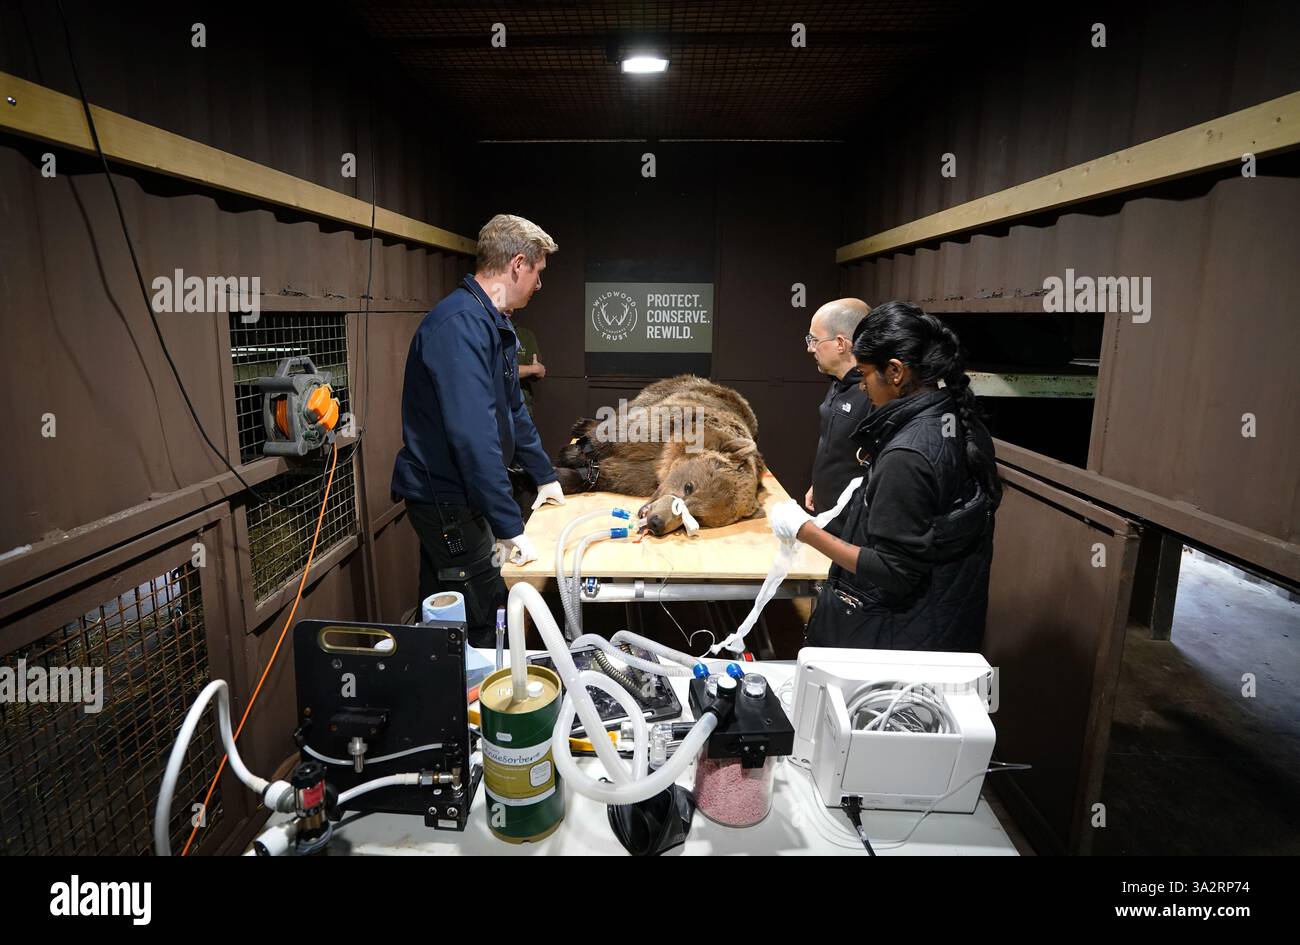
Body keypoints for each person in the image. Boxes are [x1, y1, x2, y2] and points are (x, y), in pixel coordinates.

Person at [770, 301, 1002, 651]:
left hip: (901, 633)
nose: (861, 387)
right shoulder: (959, 419)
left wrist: (805, 531)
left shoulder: (908, 455)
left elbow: (894, 571)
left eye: (863, 374)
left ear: (895, 372)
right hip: (946, 622)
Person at [391, 214, 566, 645]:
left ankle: (439, 690)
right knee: (489, 610)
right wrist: (510, 526)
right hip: (446, 499)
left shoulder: (491, 321)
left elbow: (512, 411)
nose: (538, 286)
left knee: (443, 605)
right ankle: (485, 703)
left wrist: (544, 476)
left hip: (458, 497)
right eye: (538, 273)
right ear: (518, 265)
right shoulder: (460, 325)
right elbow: (474, 436)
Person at [804, 298, 873, 514]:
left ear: (841, 343)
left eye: (814, 340)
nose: (809, 348)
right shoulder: (837, 382)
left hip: (851, 525)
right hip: (826, 512)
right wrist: (819, 485)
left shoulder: (873, 394)